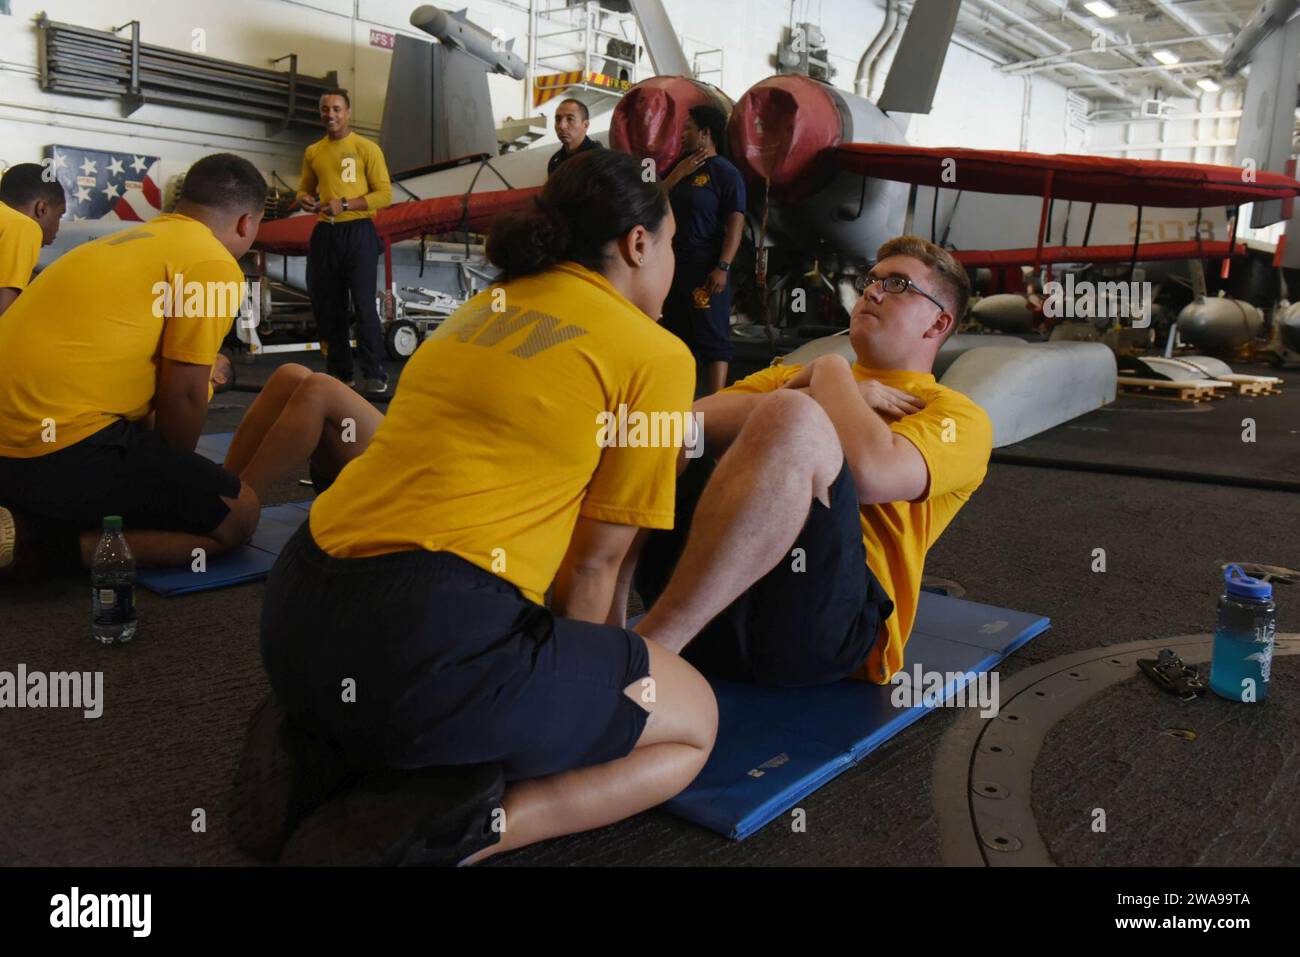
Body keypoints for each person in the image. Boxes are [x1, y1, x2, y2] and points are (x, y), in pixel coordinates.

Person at [258, 149, 723, 865]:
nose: (674, 264)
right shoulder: (656, 354)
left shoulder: (482, 308)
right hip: (423, 639)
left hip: (294, 612)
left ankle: (349, 746)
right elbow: (596, 565)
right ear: (638, 243)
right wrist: (587, 709)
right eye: (669, 246)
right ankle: (466, 828)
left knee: (432, 678)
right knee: (694, 720)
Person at [634, 236, 993, 689]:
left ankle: (649, 651)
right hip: (713, 609)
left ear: (938, 322)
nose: (873, 292)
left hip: (818, 633)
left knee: (793, 418)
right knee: (655, 434)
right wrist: (813, 388)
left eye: (899, 284)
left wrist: (828, 372)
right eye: (872, 280)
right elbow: (678, 428)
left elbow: (871, 474)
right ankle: (588, 616)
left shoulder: (952, 414)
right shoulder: (790, 376)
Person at [0, 153, 265, 580]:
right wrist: (180, 483)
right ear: (246, 223)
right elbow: (184, 395)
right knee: (238, 513)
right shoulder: (213, 263)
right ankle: (35, 547)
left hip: (16, 443)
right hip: (46, 454)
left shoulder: (126, 241)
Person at [298, 88, 393, 394]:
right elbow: (304, 189)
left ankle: (375, 372)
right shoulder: (313, 151)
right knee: (329, 306)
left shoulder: (367, 148)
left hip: (359, 231)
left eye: (337, 109)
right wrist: (304, 200)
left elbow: (384, 195)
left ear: (348, 112)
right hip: (326, 232)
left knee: (364, 305)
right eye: (325, 109)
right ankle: (341, 372)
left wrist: (347, 204)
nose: (331, 115)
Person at [659, 105, 746, 395]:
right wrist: (675, 176)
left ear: (705, 134)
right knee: (673, 334)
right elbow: (653, 202)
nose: (682, 134)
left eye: (688, 128)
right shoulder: (681, 169)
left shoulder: (726, 174)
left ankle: (715, 404)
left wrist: (723, 266)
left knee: (713, 338)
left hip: (706, 267)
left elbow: (736, 222)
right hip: (674, 266)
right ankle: (677, 397)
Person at [0, 162, 66, 316]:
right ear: (41, 208)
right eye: (59, 215)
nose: (58, 227)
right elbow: (4, 313)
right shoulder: (23, 226)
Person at [547, 98, 602, 177]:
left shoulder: (598, 159)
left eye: (570, 119)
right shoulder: (555, 161)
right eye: (558, 119)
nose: (562, 126)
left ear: (585, 125)